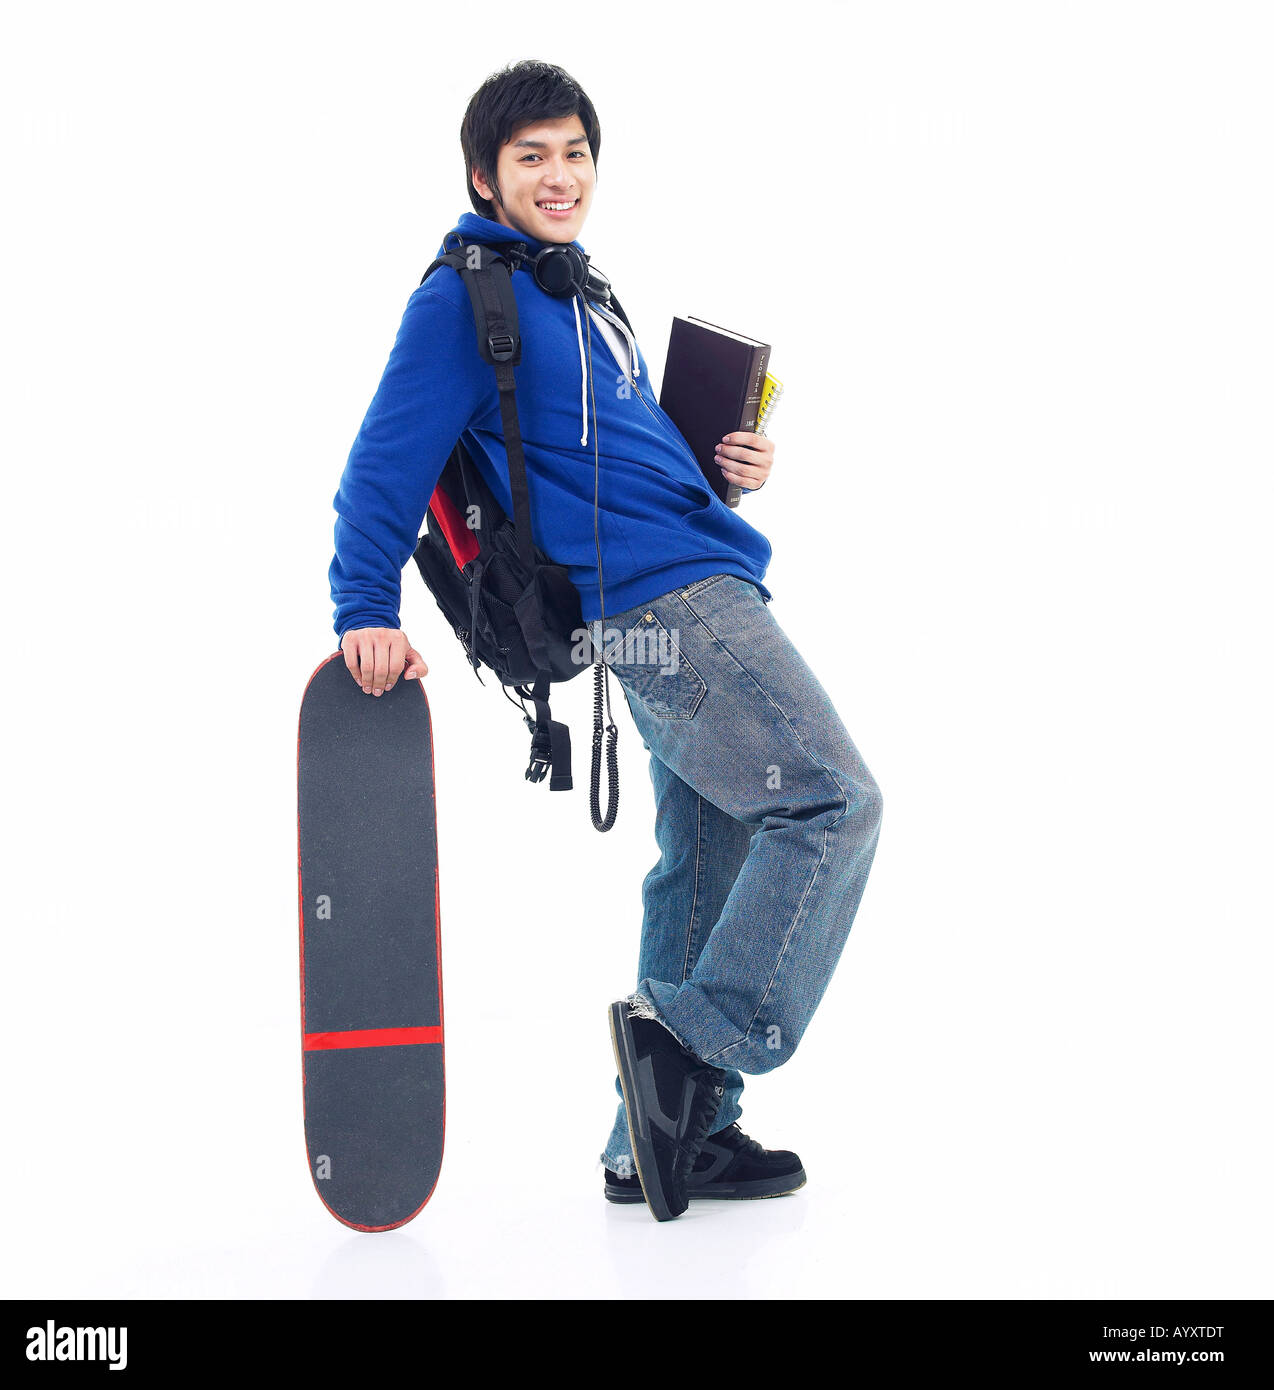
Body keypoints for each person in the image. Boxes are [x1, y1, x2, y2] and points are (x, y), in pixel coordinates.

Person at [328, 59, 883, 1222]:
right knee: (830, 800)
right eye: (530, 156)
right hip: (665, 603)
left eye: (574, 153)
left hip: (669, 594)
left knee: (709, 852)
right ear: (482, 178)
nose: (559, 175)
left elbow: (606, 462)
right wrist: (363, 610)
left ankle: (665, 1141)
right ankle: (689, 1042)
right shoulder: (462, 299)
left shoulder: (580, 292)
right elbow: (381, 464)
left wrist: (723, 469)